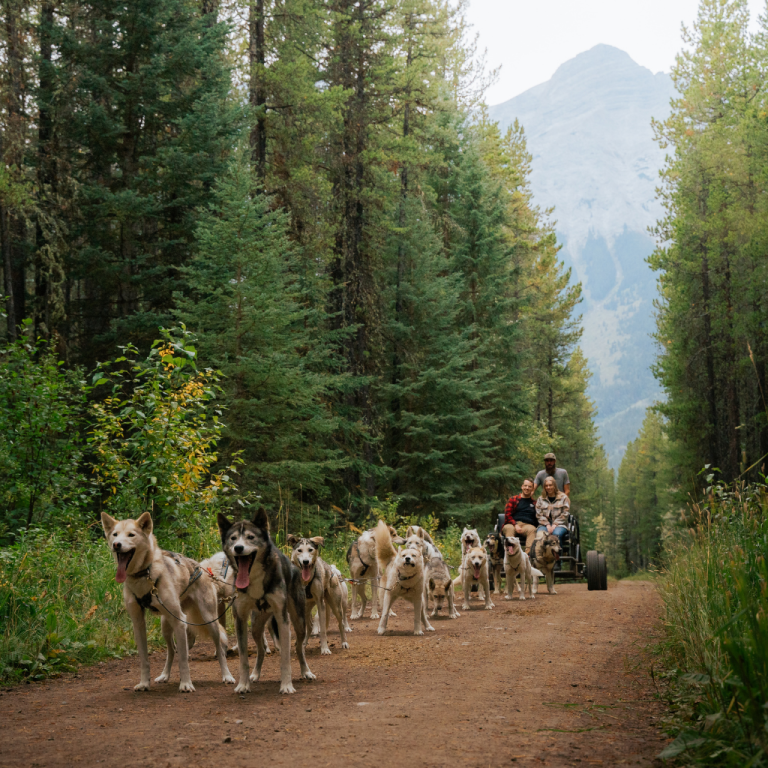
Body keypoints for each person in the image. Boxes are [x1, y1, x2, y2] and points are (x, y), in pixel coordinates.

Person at [501, 478, 538, 554]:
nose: (527, 488)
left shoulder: (534, 503)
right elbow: (507, 515)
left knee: (533, 529)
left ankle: (528, 556)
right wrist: (515, 525)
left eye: (529, 486)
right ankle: (511, 554)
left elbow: (537, 517)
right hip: (512, 524)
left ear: (532, 489)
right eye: (525, 486)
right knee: (509, 529)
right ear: (522, 487)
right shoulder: (513, 499)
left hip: (527, 526)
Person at [535, 475, 570, 547]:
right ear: (544, 487)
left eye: (550, 485)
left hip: (560, 524)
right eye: (546, 486)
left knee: (556, 535)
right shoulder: (541, 499)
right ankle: (541, 557)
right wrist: (547, 524)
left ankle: (558, 556)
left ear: (554, 486)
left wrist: (555, 524)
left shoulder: (563, 498)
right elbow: (539, 514)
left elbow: (565, 513)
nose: (548, 487)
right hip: (544, 524)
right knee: (540, 535)